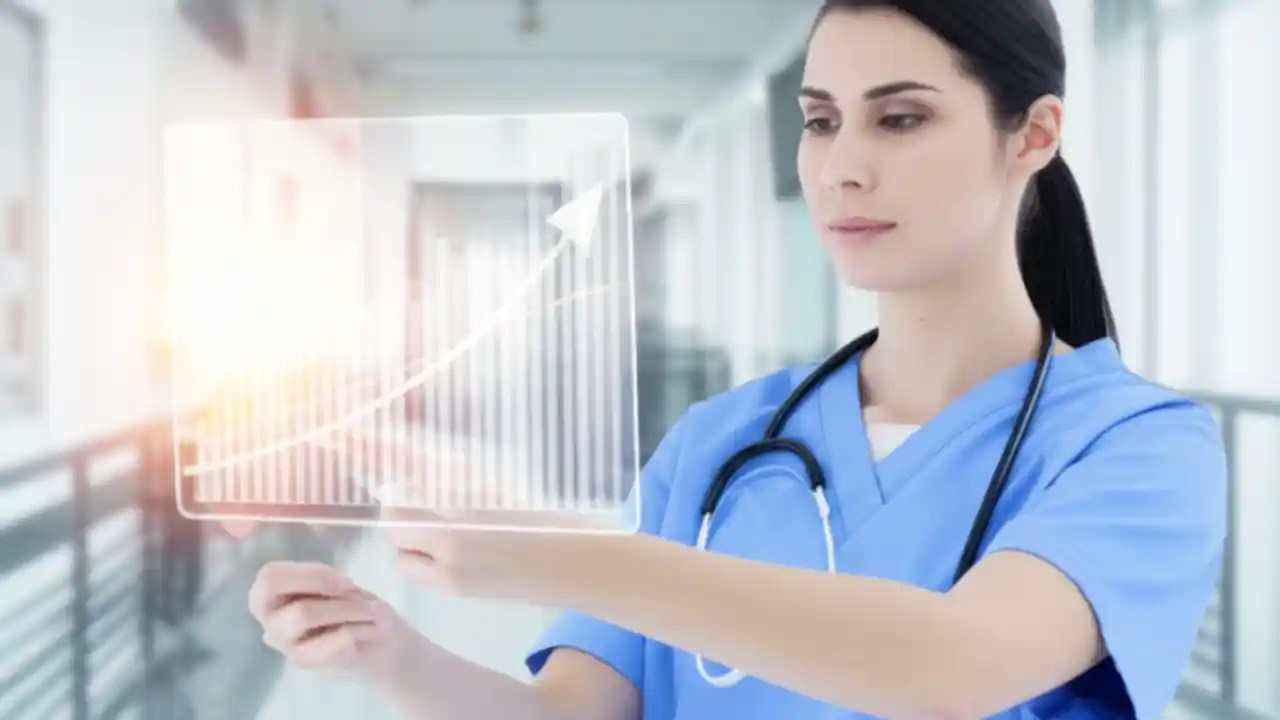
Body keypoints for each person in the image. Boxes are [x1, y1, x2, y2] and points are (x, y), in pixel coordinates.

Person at [236, 1, 1227, 717]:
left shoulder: (1134, 447)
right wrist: (389, 657)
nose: (841, 164)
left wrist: (543, 550)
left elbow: (951, 667)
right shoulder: (720, 439)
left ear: (1033, 134)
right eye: (818, 118)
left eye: (900, 117)